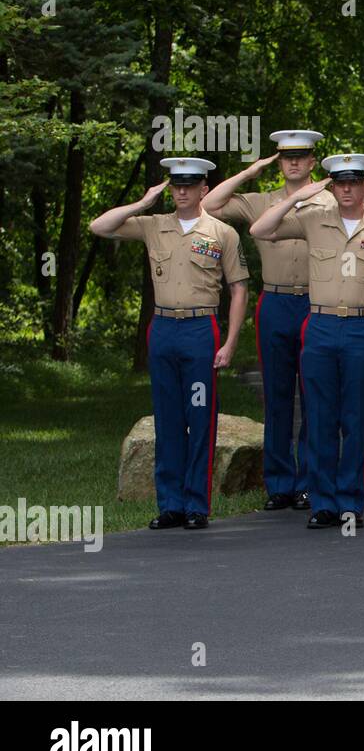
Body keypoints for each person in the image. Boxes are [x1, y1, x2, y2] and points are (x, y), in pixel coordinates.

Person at [249, 153, 364, 530]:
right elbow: (260, 229)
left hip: (361, 327)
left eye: (355, 182)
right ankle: (322, 502)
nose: (348, 189)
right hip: (319, 325)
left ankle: (351, 501)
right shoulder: (313, 219)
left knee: (355, 419)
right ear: (332, 186)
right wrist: (298, 196)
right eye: (340, 183)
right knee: (318, 417)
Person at [89, 157, 248, 530]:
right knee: (168, 419)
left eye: (189, 186)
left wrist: (230, 342)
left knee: (199, 416)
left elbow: (239, 289)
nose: (181, 191)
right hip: (162, 331)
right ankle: (171, 504)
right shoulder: (154, 226)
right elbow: (99, 226)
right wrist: (143, 203)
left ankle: (196, 505)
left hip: (198, 332)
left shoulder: (222, 233)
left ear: (203, 190)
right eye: (176, 185)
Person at [202, 130, 331, 512]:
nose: (293, 163)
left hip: (316, 302)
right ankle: (279, 484)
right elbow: (208, 205)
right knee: (276, 395)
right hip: (274, 302)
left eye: (300, 156)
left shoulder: (328, 201)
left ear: (312, 161)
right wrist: (250, 171)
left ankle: (309, 482)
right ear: (278, 161)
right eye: (285, 157)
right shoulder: (261, 202)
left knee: (314, 395)